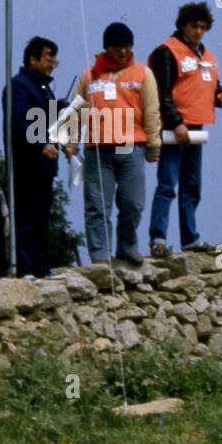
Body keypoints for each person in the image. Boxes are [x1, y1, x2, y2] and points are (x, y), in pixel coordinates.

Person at [66, 22, 161, 266]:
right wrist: (70, 141)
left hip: (131, 146)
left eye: (127, 47)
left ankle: (127, 247)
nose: (123, 52)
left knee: (133, 203)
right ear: (107, 47)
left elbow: (152, 111)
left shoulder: (143, 74)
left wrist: (154, 145)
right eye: (118, 47)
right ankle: (99, 255)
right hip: (98, 148)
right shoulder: (89, 75)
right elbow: (76, 108)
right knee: (97, 206)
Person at [146, 1, 222, 257]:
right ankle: (158, 238)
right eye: (195, 26)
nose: (199, 31)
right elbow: (161, 92)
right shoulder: (167, 51)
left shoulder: (205, 55)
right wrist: (175, 122)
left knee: (192, 186)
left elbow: (211, 85)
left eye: (203, 27)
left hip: (196, 128)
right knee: (167, 184)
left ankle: (190, 238)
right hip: (175, 128)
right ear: (183, 24)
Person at [2, 36, 64, 277]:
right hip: (26, 163)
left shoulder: (44, 88)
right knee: (26, 215)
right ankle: (25, 267)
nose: (52, 64)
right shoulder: (19, 86)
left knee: (42, 216)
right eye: (49, 59)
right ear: (33, 59)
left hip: (45, 165)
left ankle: (41, 266)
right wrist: (40, 144)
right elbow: (21, 118)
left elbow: (50, 119)